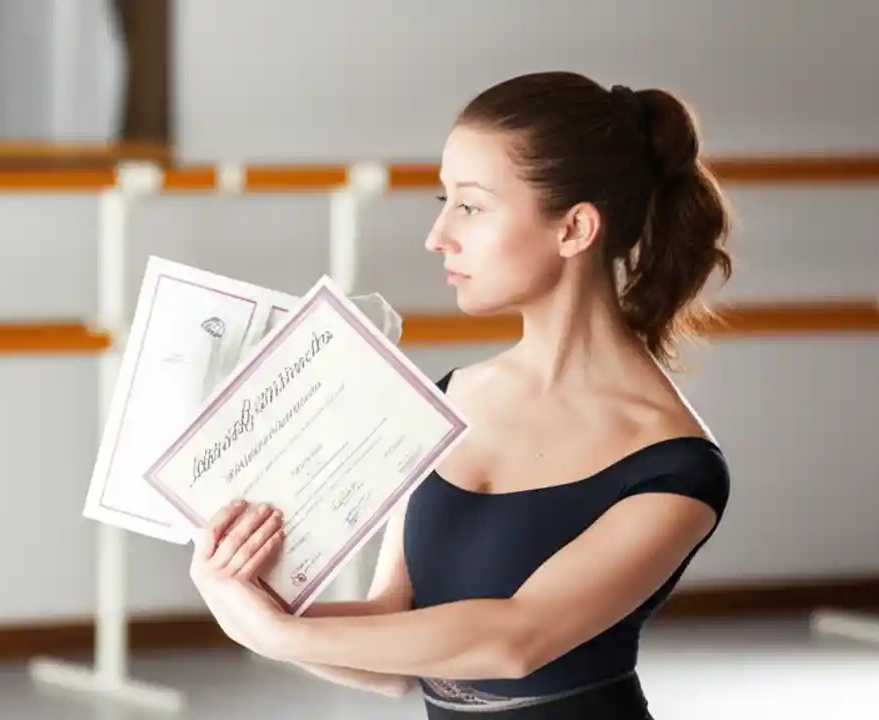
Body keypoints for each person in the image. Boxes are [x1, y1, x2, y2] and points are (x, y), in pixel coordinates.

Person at [187, 70, 734, 719]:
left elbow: (515, 640)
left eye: (470, 206)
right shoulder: (445, 401)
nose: (438, 236)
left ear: (574, 229)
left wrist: (277, 633)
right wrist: (246, 599)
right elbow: (394, 639)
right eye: (442, 201)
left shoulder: (675, 466)